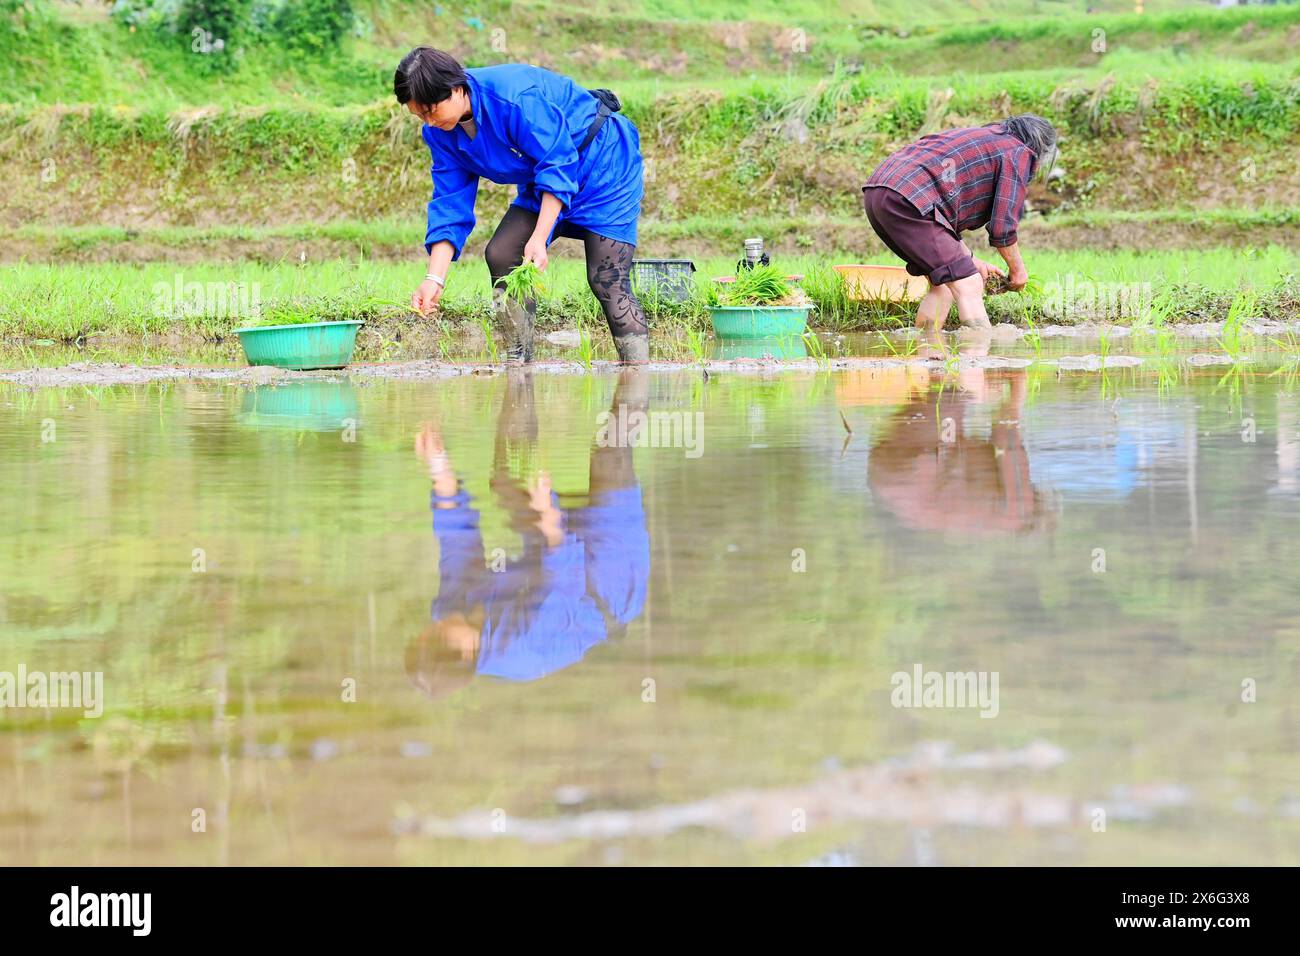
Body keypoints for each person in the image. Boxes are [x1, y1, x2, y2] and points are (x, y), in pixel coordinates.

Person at [395, 48, 650, 364]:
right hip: (544, 180)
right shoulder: (440, 133)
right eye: (419, 116)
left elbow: (558, 160)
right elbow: (450, 202)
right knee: (502, 254)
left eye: (430, 111)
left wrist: (539, 238)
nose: (428, 123)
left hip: (604, 168)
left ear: (455, 89)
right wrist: (435, 279)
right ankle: (518, 367)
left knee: (606, 279)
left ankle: (636, 374)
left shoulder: (513, 97)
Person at [407, 369, 651, 697]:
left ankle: (520, 371)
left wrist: (440, 471)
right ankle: (636, 370)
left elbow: (458, 542)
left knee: (506, 477)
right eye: (438, 636)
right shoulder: (525, 647)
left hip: (550, 555)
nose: (434, 624)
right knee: (609, 455)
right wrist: (547, 513)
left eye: (425, 633)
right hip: (605, 583)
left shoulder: (450, 612)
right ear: (466, 652)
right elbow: (564, 577)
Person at [862, 114, 1058, 335]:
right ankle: (977, 360)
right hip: (909, 198)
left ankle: (926, 355)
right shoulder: (1019, 152)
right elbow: (1003, 228)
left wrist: (972, 260)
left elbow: (940, 222)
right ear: (1040, 149)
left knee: (945, 285)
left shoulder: (982, 139)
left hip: (879, 191)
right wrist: (1018, 271)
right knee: (970, 284)